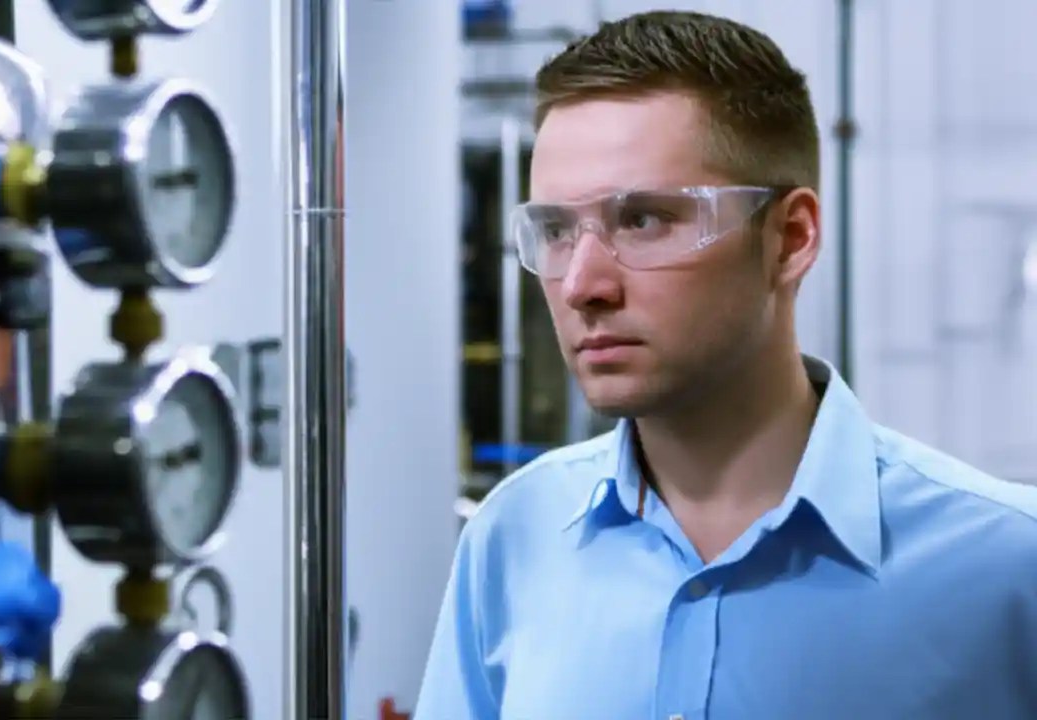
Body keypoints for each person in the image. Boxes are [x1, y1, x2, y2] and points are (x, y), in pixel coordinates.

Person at [415, 10, 1037, 720]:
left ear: (791, 238)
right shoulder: (515, 538)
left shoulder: (1008, 569)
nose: (584, 284)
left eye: (643, 220)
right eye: (555, 230)